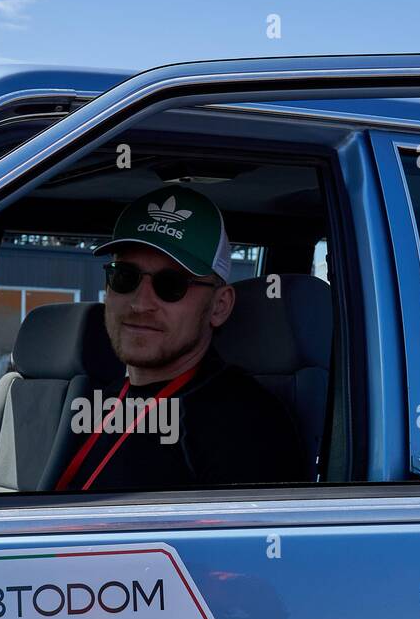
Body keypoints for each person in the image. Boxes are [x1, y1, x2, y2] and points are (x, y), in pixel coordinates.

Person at [55, 185, 306, 492]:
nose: (139, 303)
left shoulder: (244, 424)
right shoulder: (101, 400)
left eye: (171, 284)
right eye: (125, 277)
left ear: (219, 306)